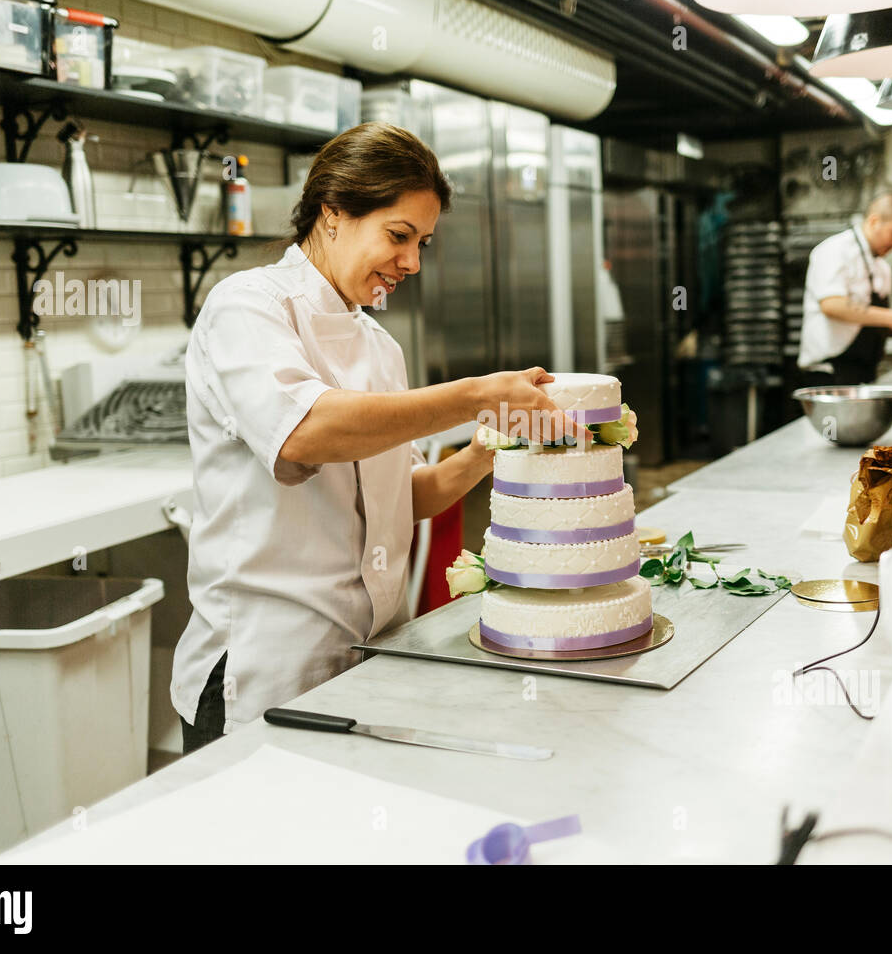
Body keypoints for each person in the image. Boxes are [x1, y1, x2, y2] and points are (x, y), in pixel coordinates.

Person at [172, 122, 590, 753]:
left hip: (368, 659)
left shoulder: (379, 345)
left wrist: (488, 447)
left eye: (422, 242)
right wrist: (475, 394)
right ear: (332, 211)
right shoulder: (246, 307)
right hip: (262, 672)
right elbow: (305, 433)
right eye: (398, 236)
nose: (413, 262)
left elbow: (406, 496)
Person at [797, 192, 892, 387]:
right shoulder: (833, 251)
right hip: (830, 375)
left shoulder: (882, 269)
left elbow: (869, 323)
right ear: (874, 221)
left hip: (864, 373)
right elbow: (832, 306)